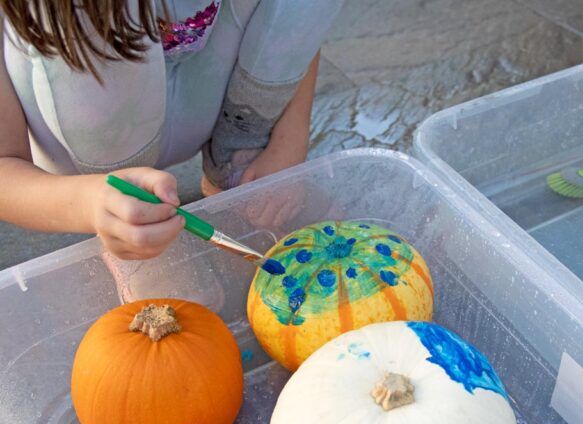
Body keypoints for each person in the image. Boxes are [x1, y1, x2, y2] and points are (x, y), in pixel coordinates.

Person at [0, 0, 344, 260]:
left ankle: (240, 153)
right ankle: (136, 214)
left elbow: (298, 18)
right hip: (89, 146)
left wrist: (286, 143)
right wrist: (92, 204)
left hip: (210, 91)